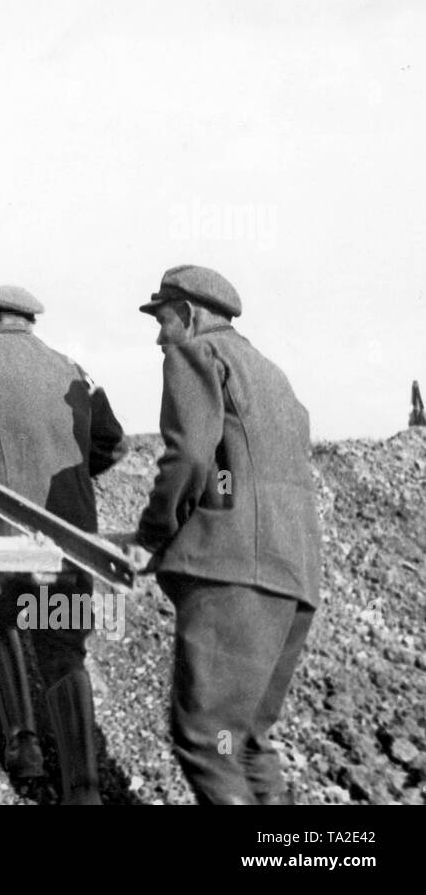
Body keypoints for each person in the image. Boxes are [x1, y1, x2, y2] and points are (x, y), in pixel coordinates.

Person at [0, 285, 126, 804]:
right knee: (62, 650)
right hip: (67, 535)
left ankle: (24, 748)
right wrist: (74, 480)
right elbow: (113, 441)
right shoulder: (71, 366)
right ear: (30, 322)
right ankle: (84, 790)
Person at [126, 265, 321, 805]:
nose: (160, 335)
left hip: (232, 572)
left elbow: (189, 454)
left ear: (187, 315)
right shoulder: (271, 373)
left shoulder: (195, 353)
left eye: (163, 320)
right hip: (295, 576)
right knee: (248, 744)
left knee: (208, 743)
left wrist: (153, 532)